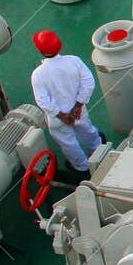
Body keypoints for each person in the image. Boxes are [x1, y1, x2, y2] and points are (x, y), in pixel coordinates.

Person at [30, 30, 102, 175]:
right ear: (59, 45)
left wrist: (61, 115)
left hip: (56, 118)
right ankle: (99, 152)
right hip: (79, 112)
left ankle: (82, 167)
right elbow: (88, 82)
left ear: (39, 50)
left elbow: (42, 100)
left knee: (68, 142)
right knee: (87, 131)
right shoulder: (74, 61)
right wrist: (78, 106)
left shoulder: (38, 74)